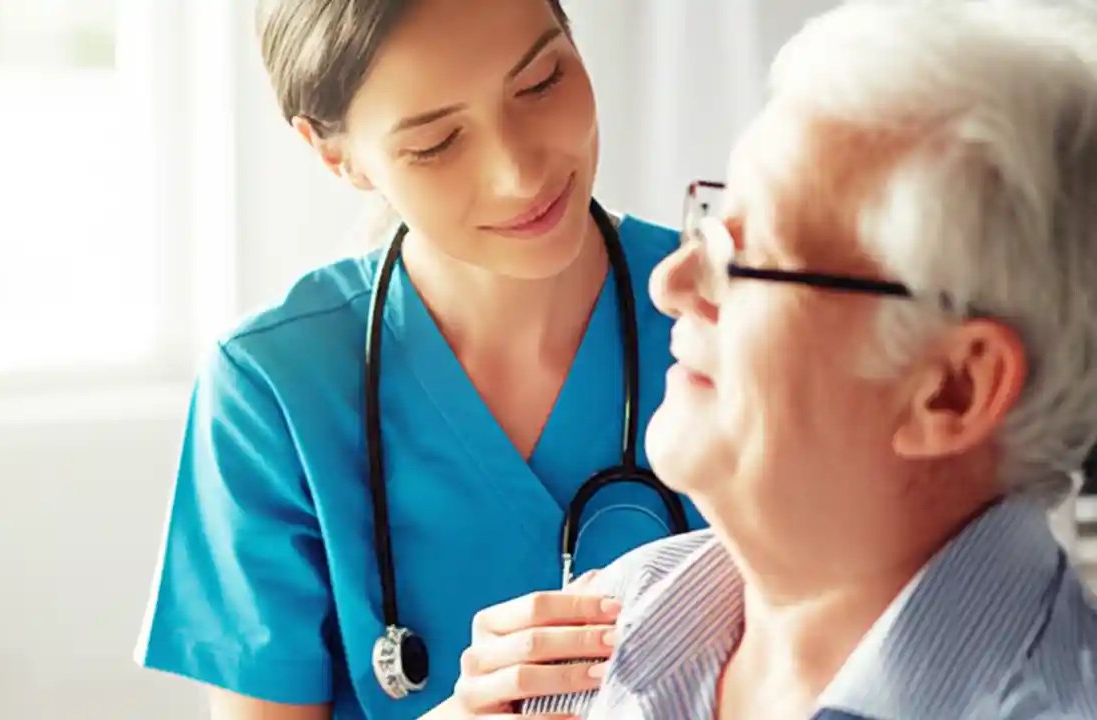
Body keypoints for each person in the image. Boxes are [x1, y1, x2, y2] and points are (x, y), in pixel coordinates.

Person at [133, 1, 709, 718]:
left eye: (540, 83)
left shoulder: (735, 311)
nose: (518, 173)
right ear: (334, 153)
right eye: (437, 143)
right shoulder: (274, 392)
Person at [529, 1, 1097, 718]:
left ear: (949, 389)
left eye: (748, 254)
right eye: (710, 223)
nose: (669, 284)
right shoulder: (590, 636)